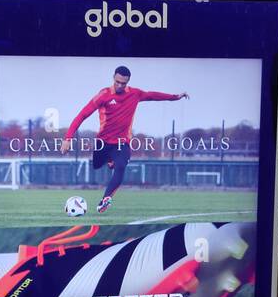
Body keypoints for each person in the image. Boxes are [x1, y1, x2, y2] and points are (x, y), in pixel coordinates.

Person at [63, 67, 188, 213]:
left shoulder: (135, 94)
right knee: (98, 164)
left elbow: (152, 95)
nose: (120, 85)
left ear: (128, 81)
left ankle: (105, 199)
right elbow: (82, 115)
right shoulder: (103, 95)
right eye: (117, 82)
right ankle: (110, 161)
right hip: (103, 142)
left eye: (123, 83)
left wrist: (175, 97)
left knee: (121, 165)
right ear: (113, 78)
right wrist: (68, 138)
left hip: (122, 142)